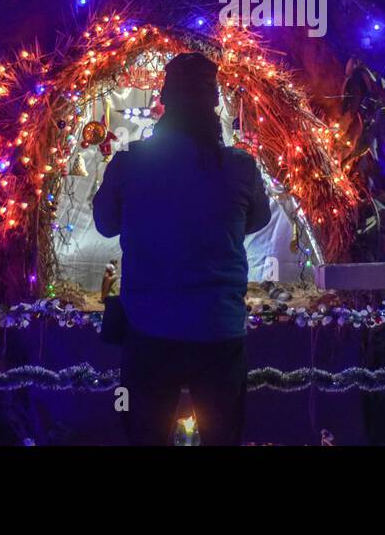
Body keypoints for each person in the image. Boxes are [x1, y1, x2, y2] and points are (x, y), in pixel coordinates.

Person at [93, 52, 271, 445]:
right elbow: (256, 221)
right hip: (219, 331)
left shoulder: (131, 164)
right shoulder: (240, 167)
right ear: (213, 103)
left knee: (145, 436)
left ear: (164, 101)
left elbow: (105, 224)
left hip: (149, 331)